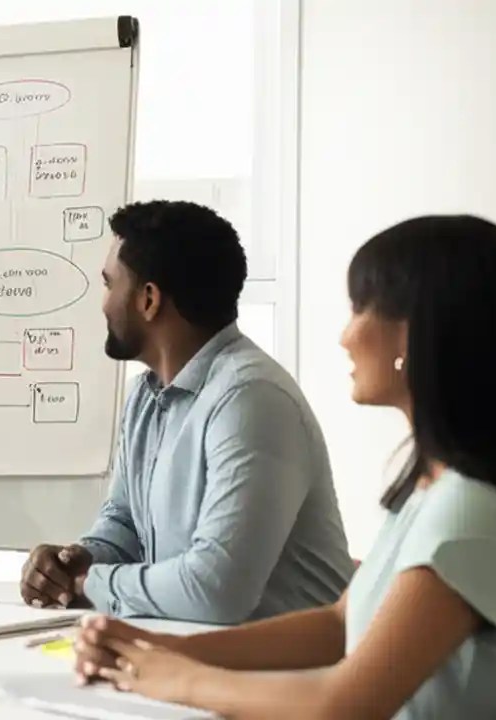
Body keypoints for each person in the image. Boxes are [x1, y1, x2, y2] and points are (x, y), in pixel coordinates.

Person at [73, 215, 496, 719]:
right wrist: (162, 648)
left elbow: (345, 704)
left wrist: (175, 678)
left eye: (362, 308)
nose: (345, 335)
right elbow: (340, 624)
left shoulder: (472, 513)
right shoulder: (434, 492)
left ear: (419, 334)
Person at [20, 200, 353, 622]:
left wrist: (92, 583)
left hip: (288, 675)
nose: (103, 303)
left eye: (109, 284)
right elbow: (124, 524)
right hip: (202, 660)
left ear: (149, 300)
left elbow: (215, 589)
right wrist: (72, 562)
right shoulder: (146, 395)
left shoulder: (251, 399)